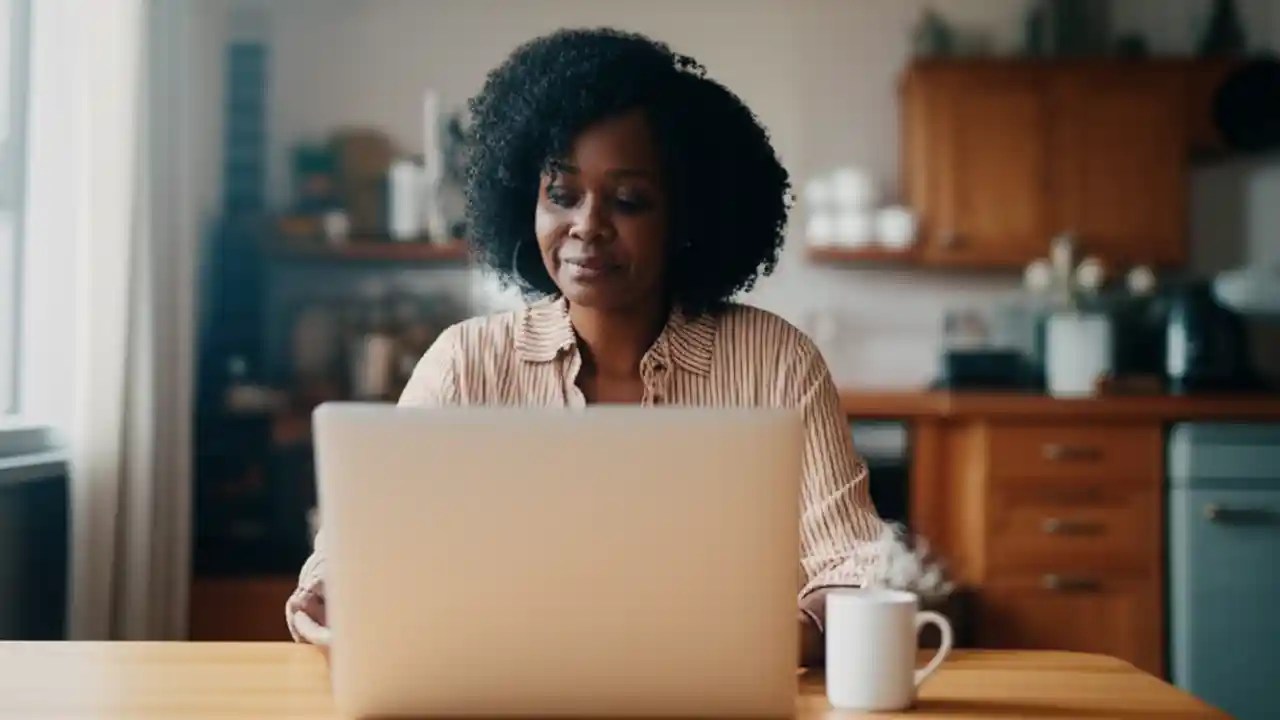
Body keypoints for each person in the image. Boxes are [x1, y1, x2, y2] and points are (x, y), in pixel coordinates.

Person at [286, 28, 884, 667]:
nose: (588, 226)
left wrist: (796, 631)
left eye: (628, 201)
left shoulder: (779, 365)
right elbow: (349, 561)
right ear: (527, 203)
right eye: (562, 195)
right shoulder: (465, 365)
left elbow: (855, 568)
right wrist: (337, 596)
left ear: (686, 219)